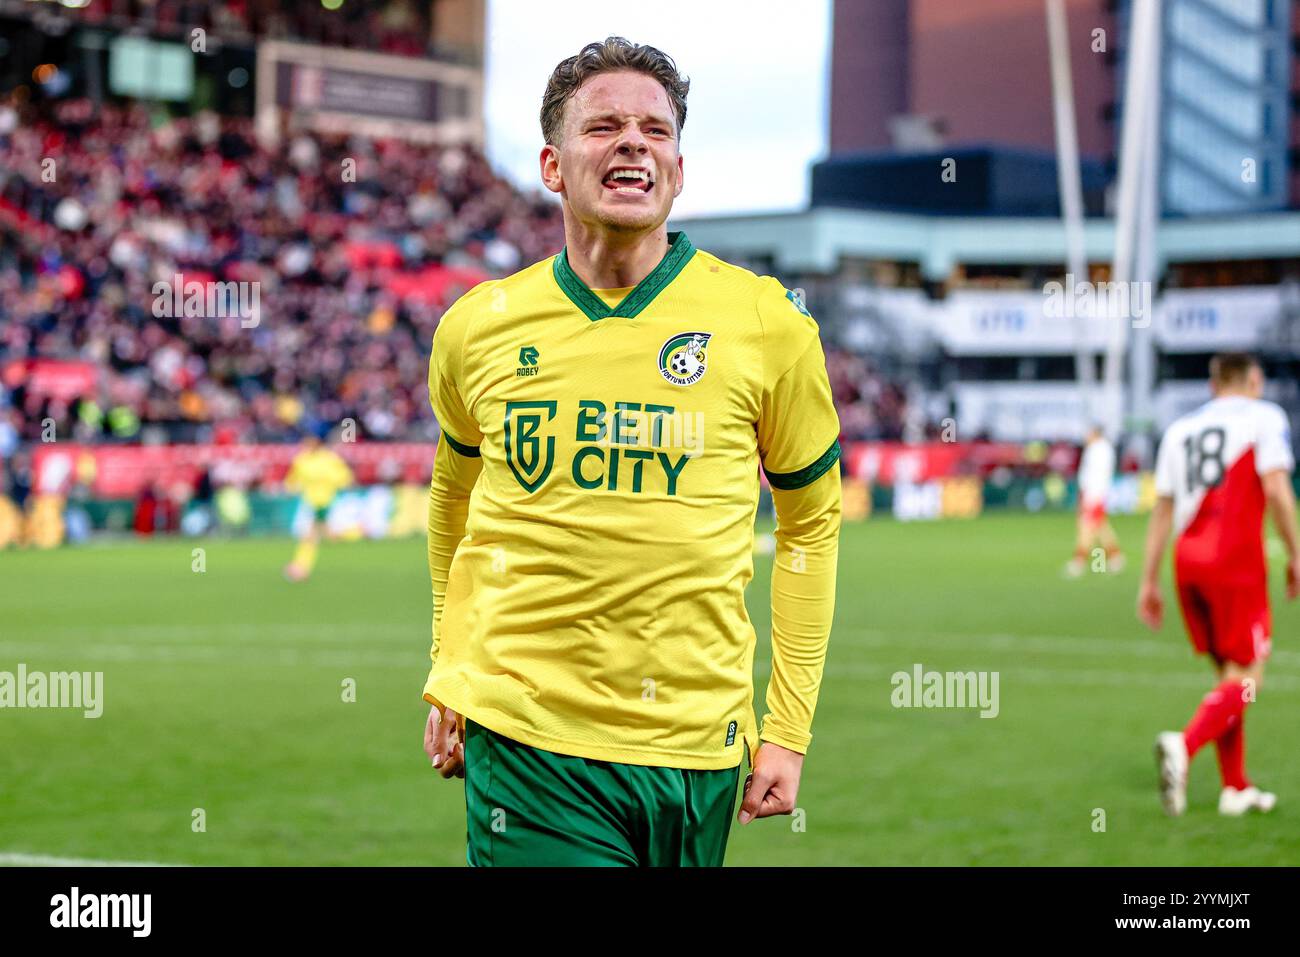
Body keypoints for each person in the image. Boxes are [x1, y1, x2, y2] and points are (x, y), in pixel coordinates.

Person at [419, 37, 842, 866]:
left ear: (676, 171)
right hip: (529, 738)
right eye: (604, 125)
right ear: (551, 164)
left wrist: (788, 727)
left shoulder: (766, 323)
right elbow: (452, 504)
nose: (633, 143)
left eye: (656, 130)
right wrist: (453, 666)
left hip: (700, 752)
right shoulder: (477, 327)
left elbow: (812, 526)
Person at [1138, 353, 1299, 816]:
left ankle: (1236, 787)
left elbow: (1162, 510)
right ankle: (1183, 747)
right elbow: (1277, 490)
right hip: (1236, 562)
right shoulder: (1263, 417)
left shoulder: (1178, 430)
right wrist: (1295, 552)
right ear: (1252, 380)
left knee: (1227, 678)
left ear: (1213, 385)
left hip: (1187, 562)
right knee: (1248, 682)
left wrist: (1149, 581)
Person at [282, 432, 354, 581]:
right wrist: (290, 488)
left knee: (316, 536)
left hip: (327, 501)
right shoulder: (302, 460)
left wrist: (343, 484)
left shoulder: (329, 459)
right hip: (311, 502)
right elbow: (294, 479)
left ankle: (300, 567)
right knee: (315, 536)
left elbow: (344, 478)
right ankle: (300, 567)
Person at [1065, 425, 1123, 577]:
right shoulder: (1097, 448)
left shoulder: (1100, 450)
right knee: (1099, 526)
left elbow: (1097, 475)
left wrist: (1091, 496)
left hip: (1095, 493)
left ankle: (1080, 561)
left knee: (1087, 525)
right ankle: (1115, 557)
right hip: (1092, 492)